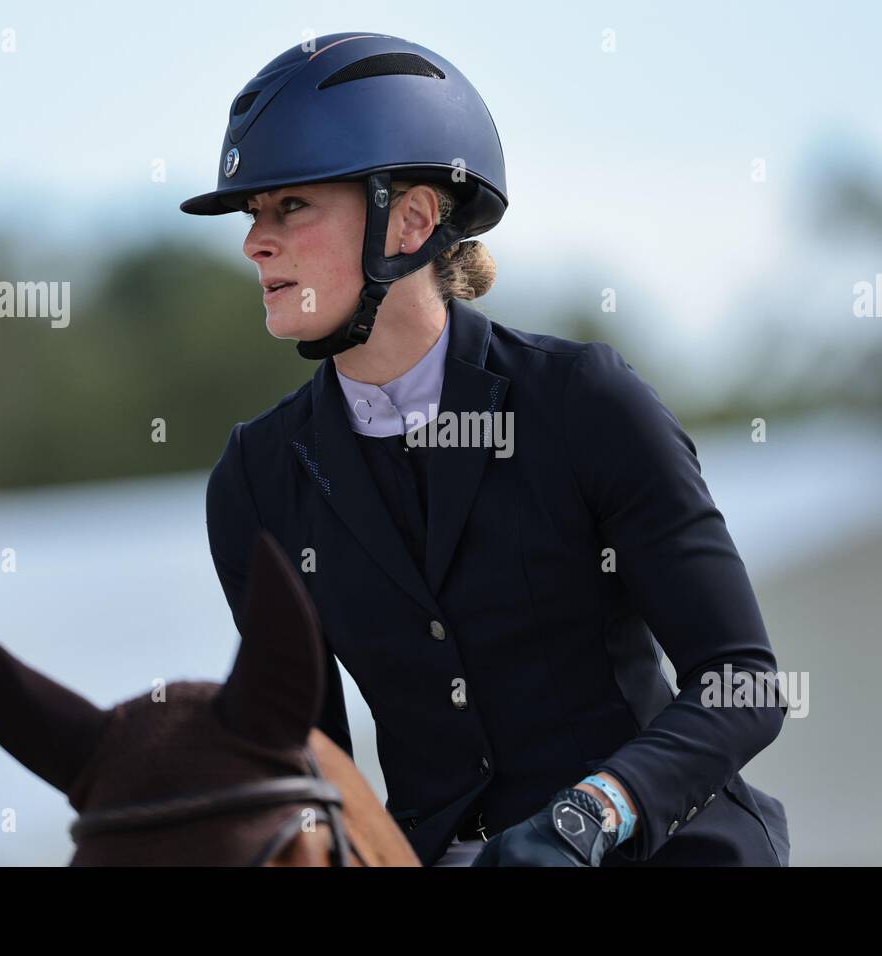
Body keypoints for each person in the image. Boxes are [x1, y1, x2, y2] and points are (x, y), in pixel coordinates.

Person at [182, 32, 790, 867]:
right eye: (253, 215)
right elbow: (311, 771)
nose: (256, 242)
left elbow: (743, 685)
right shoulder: (254, 480)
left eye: (291, 207)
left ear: (412, 220)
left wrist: (586, 819)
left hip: (662, 847)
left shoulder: (584, 402)